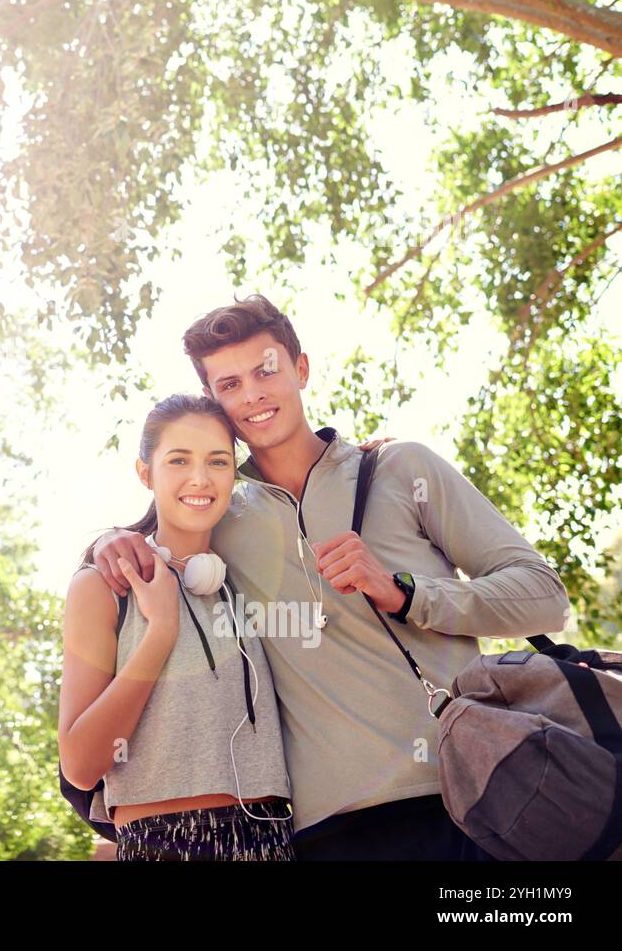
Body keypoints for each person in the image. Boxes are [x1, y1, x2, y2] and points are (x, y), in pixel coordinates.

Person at [91, 295, 571, 861]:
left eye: (265, 371)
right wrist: (107, 541)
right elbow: (164, 526)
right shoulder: (223, 516)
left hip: (469, 798)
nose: (252, 395)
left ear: (300, 368)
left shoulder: (401, 469)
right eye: (230, 385)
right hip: (326, 835)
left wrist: (406, 593)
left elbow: (545, 597)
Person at [59, 392, 297, 860]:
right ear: (145, 473)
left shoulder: (245, 575)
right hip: (162, 842)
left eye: (218, 461)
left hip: (273, 842)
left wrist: (363, 456)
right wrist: (160, 631)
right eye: (179, 460)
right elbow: (81, 766)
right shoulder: (103, 586)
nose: (200, 478)